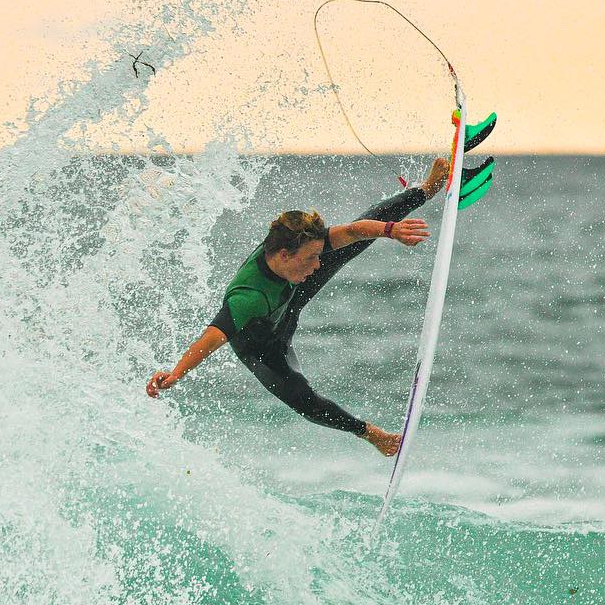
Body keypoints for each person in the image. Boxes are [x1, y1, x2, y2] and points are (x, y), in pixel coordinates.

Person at [146, 157, 450, 456]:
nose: (317, 264)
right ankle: (371, 434)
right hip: (263, 344)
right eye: (311, 258)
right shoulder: (248, 297)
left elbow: (354, 231)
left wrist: (390, 230)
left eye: (318, 254)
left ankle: (426, 189)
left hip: (288, 296)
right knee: (304, 400)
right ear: (283, 255)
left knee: (358, 235)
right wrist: (176, 374)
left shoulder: (300, 249)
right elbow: (210, 338)